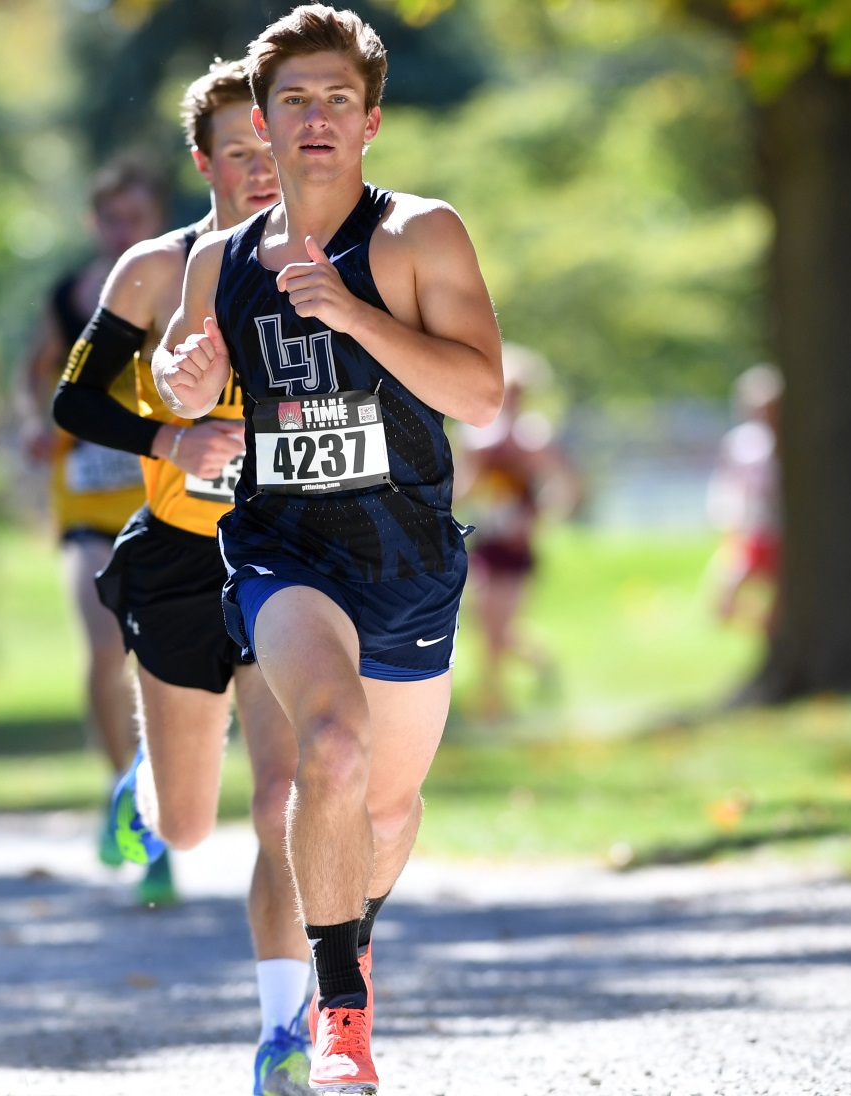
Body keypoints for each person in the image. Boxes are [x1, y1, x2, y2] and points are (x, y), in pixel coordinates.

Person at [154, 8, 504, 1091]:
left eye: (336, 101)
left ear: (371, 122)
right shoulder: (219, 260)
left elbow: (481, 395)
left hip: (407, 560)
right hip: (284, 553)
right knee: (331, 751)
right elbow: (192, 383)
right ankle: (337, 1015)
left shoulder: (417, 235)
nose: (314, 120)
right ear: (260, 120)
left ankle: (346, 948)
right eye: (294, 101)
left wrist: (353, 316)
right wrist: (181, 383)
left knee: (385, 809)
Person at [51, 59, 308, 1092]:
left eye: (271, 147)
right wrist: (171, 433)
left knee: (284, 796)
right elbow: (75, 404)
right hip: (179, 560)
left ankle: (287, 1033)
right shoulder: (155, 271)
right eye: (237, 152)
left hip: (293, 557)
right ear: (201, 162)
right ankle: (142, 792)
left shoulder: (330, 257)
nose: (260, 168)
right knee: (190, 821)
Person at [13, 158, 165, 867]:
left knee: (163, 661)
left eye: (135, 219)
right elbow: (33, 372)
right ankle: (121, 790)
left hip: (165, 503)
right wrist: (32, 423)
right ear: (92, 223)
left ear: (156, 219)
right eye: (110, 219)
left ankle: (163, 795)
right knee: (106, 651)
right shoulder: (70, 295)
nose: (121, 232)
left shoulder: (178, 283)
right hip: (84, 504)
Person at [454, 343, 578, 718]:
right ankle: (497, 696)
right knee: (486, 623)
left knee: (500, 625)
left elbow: (565, 483)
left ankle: (497, 700)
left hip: (515, 545)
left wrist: (542, 517)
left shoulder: (533, 436)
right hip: (486, 538)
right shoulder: (478, 433)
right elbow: (464, 484)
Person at [707, 364, 782, 637]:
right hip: (752, 531)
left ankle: (776, 631)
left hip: (780, 535)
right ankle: (767, 629)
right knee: (723, 598)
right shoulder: (742, 442)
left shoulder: (792, 441)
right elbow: (728, 486)